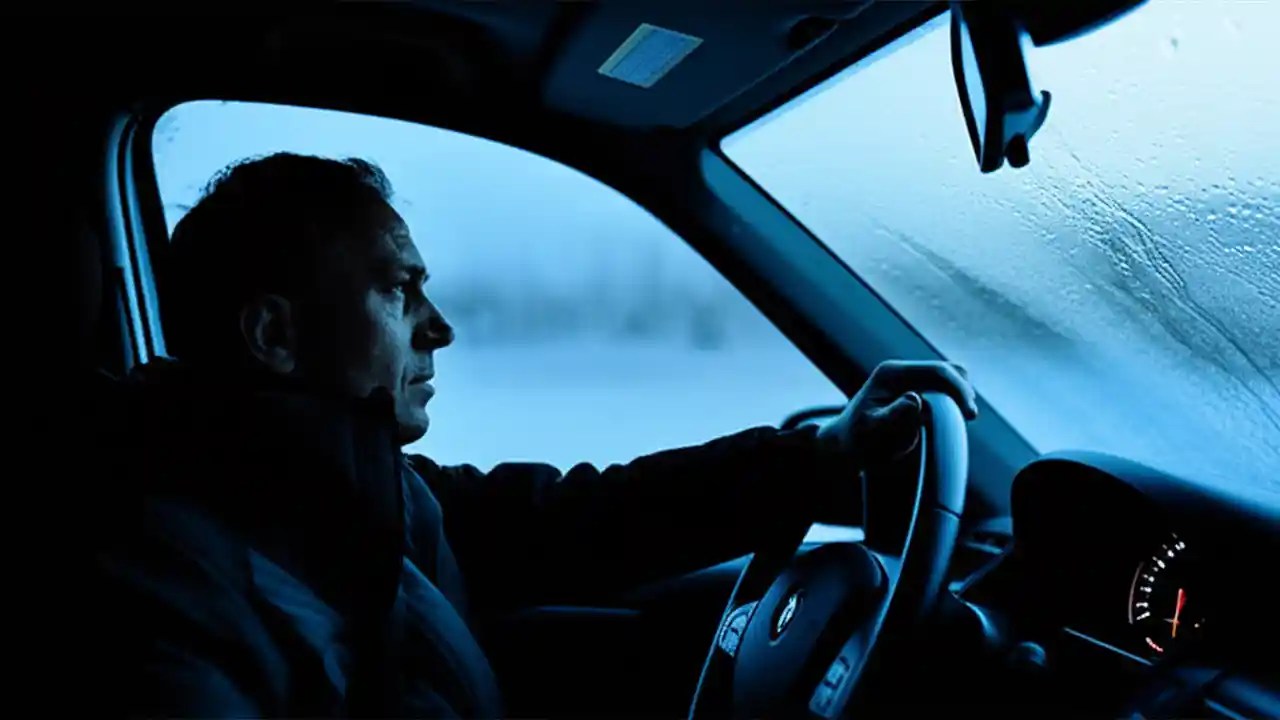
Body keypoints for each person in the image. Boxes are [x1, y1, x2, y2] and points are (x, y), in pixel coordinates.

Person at [104, 152, 978, 718]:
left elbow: (579, 519)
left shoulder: (372, 488)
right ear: (273, 334)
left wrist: (821, 456)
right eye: (398, 289)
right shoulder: (162, 586)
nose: (438, 328)